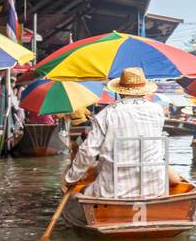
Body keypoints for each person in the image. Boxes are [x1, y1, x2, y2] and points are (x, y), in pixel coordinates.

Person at [64, 67, 179, 199]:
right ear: (143, 90)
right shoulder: (157, 110)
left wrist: (72, 178)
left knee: (79, 194)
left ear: (120, 91)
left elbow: (88, 151)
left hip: (112, 191)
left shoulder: (107, 113)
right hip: (154, 188)